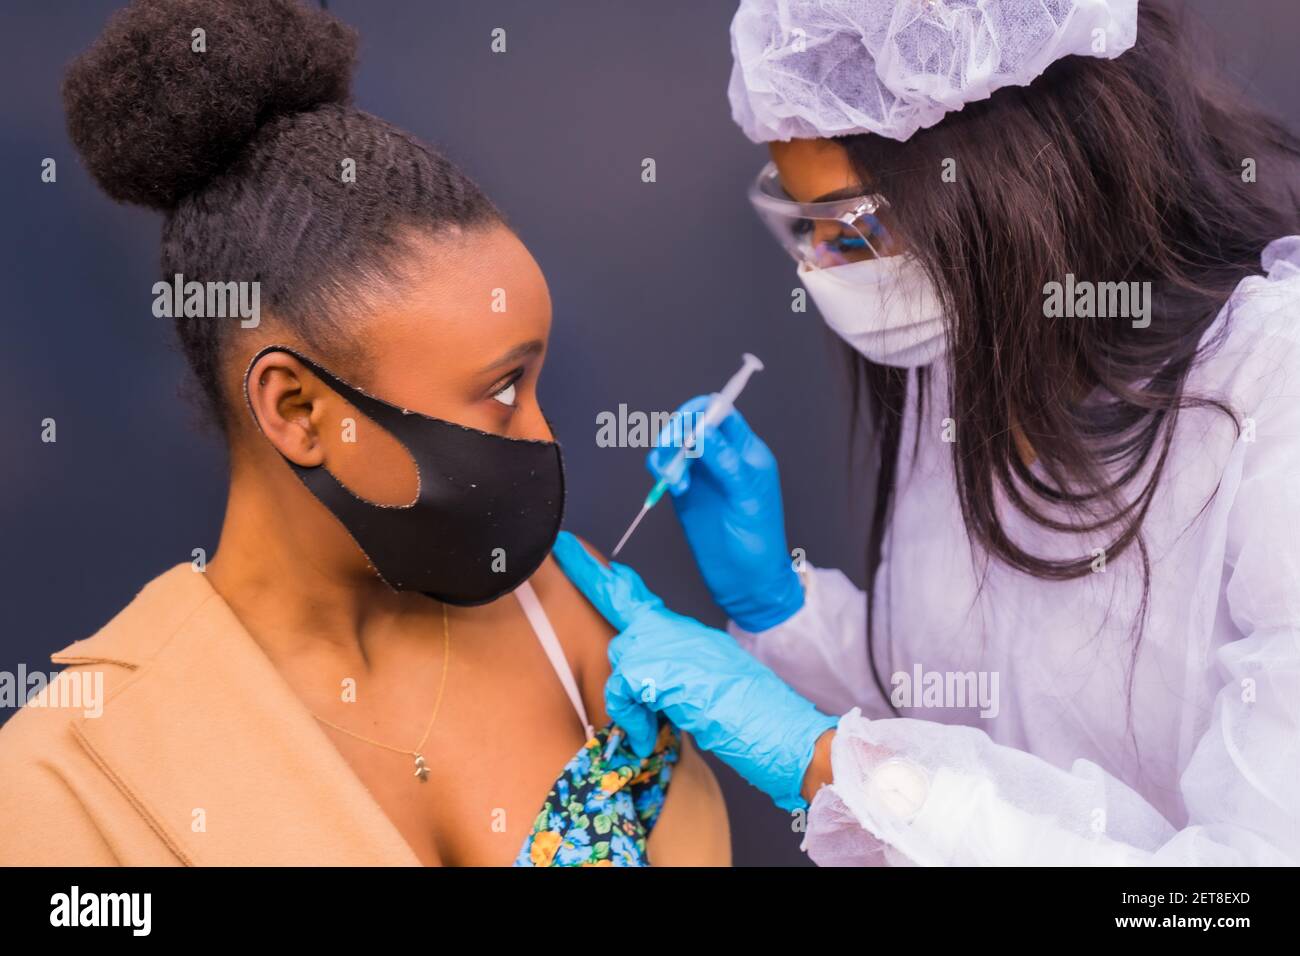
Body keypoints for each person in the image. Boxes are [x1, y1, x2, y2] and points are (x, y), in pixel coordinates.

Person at [555, 0, 1300, 865]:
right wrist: (785, 616)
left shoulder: (1275, 399)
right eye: (803, 228)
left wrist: (832, 765)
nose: (817, 270)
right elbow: (967, 727)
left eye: (846, 229)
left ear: (1005, 172)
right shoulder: (970, 357)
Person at [0, 0, 729, 868]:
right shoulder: (67, 777)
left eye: (535, 378)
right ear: (298, 411)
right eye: (501, 391)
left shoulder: (577, 617)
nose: (543, 435)